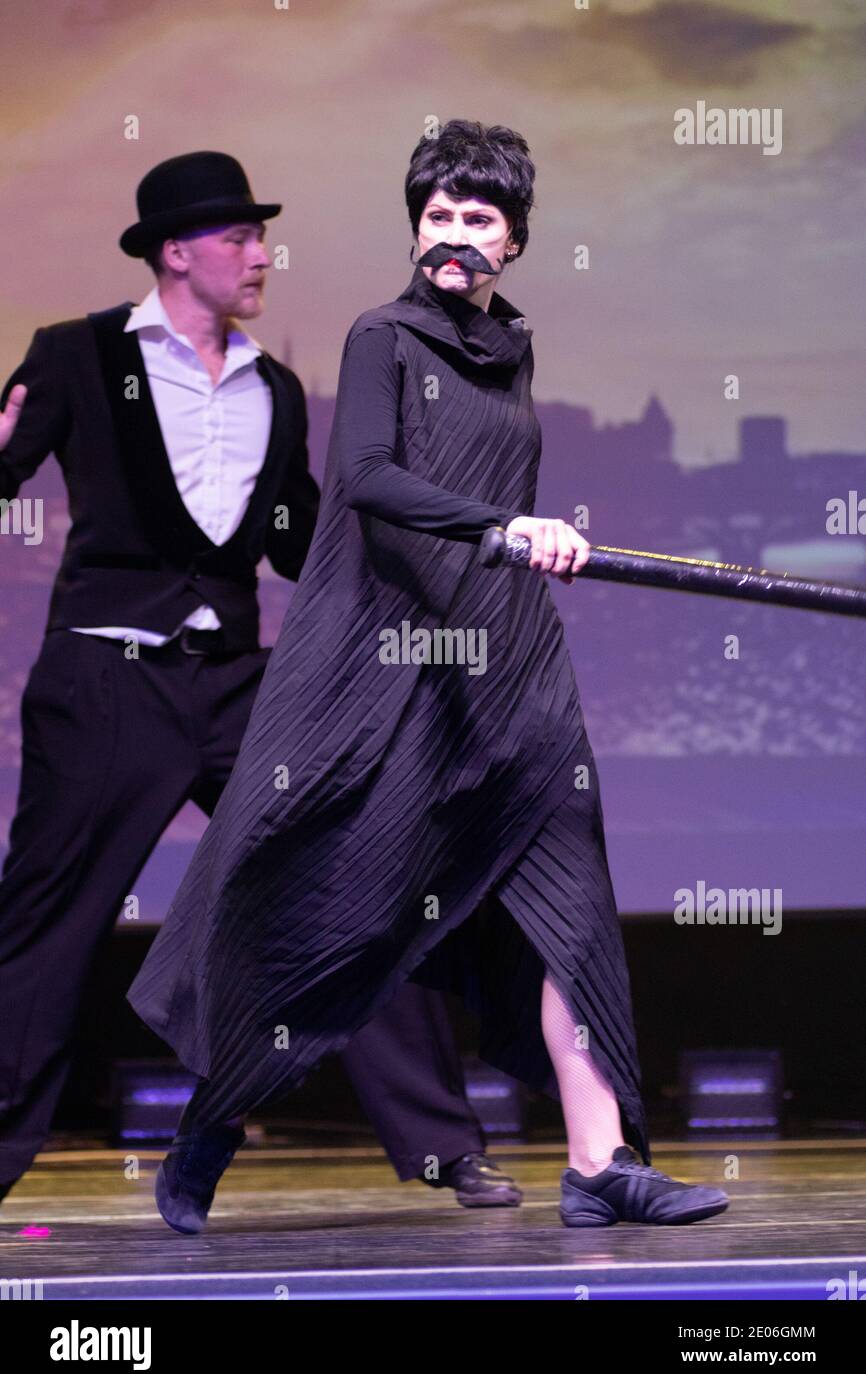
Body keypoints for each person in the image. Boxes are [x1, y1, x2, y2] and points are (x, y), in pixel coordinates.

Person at [128, 124, 729, 1231]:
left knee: (574, 913)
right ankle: (216, 1110)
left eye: (477, 218)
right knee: (328, 905)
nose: (453, 235)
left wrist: (516, 549)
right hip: (394, 665)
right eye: (438, 215)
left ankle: (599, 1165)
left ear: (515, 240)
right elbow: (363, 478)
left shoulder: (512, 351)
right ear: (416, 227)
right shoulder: (381, 338)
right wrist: (508, 529)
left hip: (515, 669)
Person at [0, 150, 521, 1213]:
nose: (258, 255)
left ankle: (438, 1143)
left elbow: (297, 538)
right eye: (237, 237)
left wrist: (451, 549)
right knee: (45, 927)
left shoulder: (274, 388)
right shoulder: (76, 356)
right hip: (107, 679)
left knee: (351, 876)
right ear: (174, 252)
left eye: (258, 235)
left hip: (238, 687)